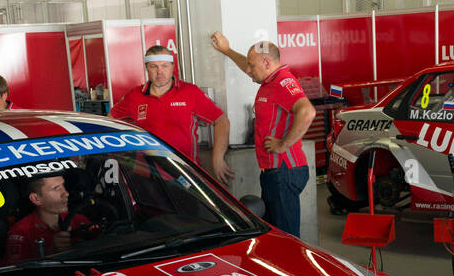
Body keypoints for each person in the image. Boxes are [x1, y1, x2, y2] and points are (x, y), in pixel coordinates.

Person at [208, 33, 316, 236]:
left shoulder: (283, 82)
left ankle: (291, 268)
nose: (248, 71)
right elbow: (247, 65)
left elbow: (308, 112)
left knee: (287, 238)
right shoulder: (269, 79)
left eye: (252, 66)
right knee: (274, 233)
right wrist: (227, 50)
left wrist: (283, 145)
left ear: (266, 62)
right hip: (272, 171)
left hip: (283, 170)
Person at [110, 46, 234, 185]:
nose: (159, 72)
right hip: (146, 176)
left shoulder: (190, 92)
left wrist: (217, 158)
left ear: (173, 66)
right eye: (153, 66)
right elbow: (110, 121)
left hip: (185, 174)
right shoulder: (134, 96)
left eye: (165, 66)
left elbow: (221, 121)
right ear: (146, 67)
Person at [3, 175, 92, 264]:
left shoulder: (77, 219)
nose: (66, 193)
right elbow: (14, 274)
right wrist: (50, 253)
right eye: (56, 189)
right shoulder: (20, 232)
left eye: (63, 186)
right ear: (36, 199)